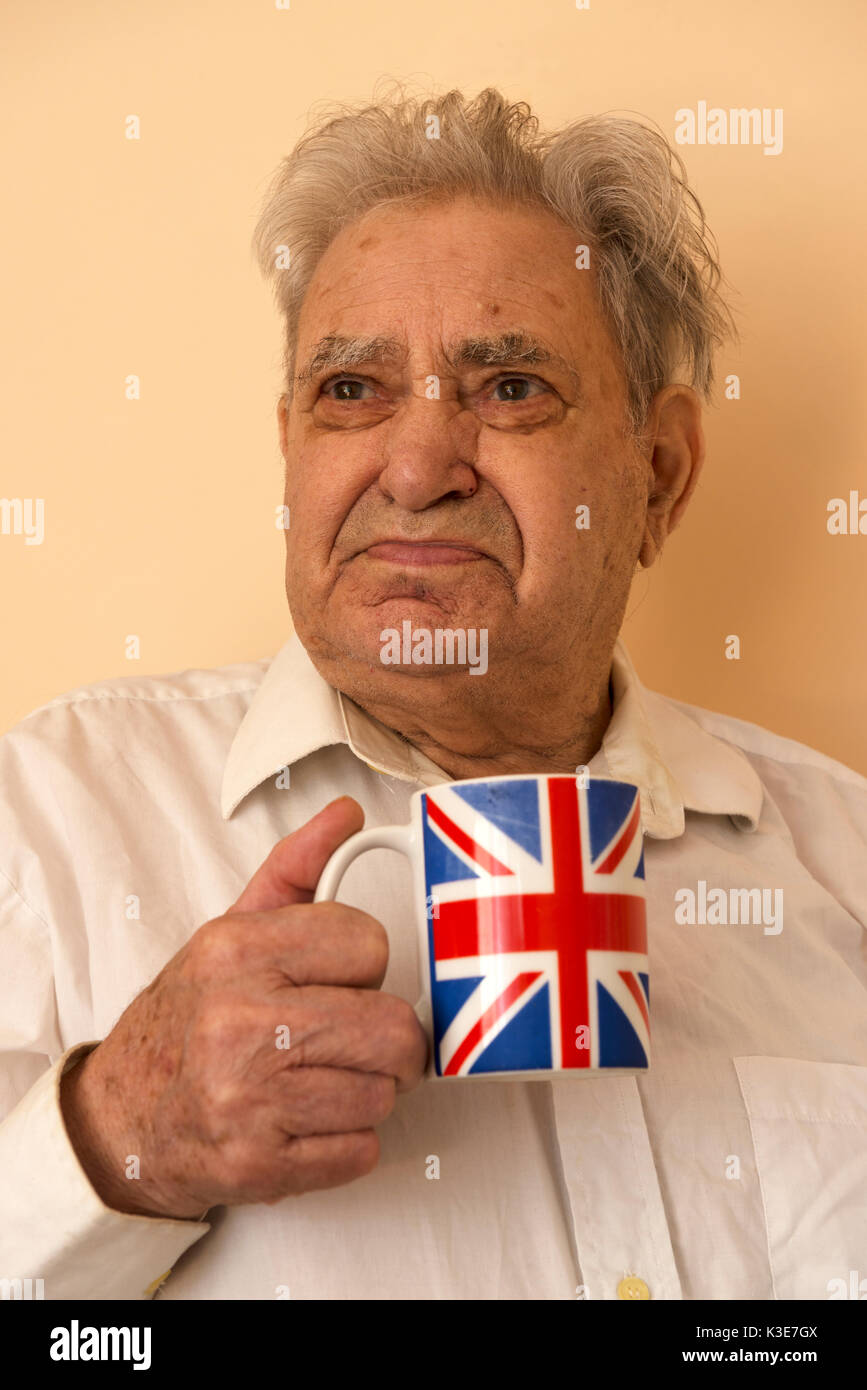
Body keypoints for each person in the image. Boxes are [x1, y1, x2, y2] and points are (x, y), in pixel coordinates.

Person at [1, 87, 865, 1302]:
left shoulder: (843, 862)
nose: (414, 468)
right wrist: (116, 1134)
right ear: (291, 447)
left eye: (509, 386)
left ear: (657, 476)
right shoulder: (48, 820)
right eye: (351, 392)